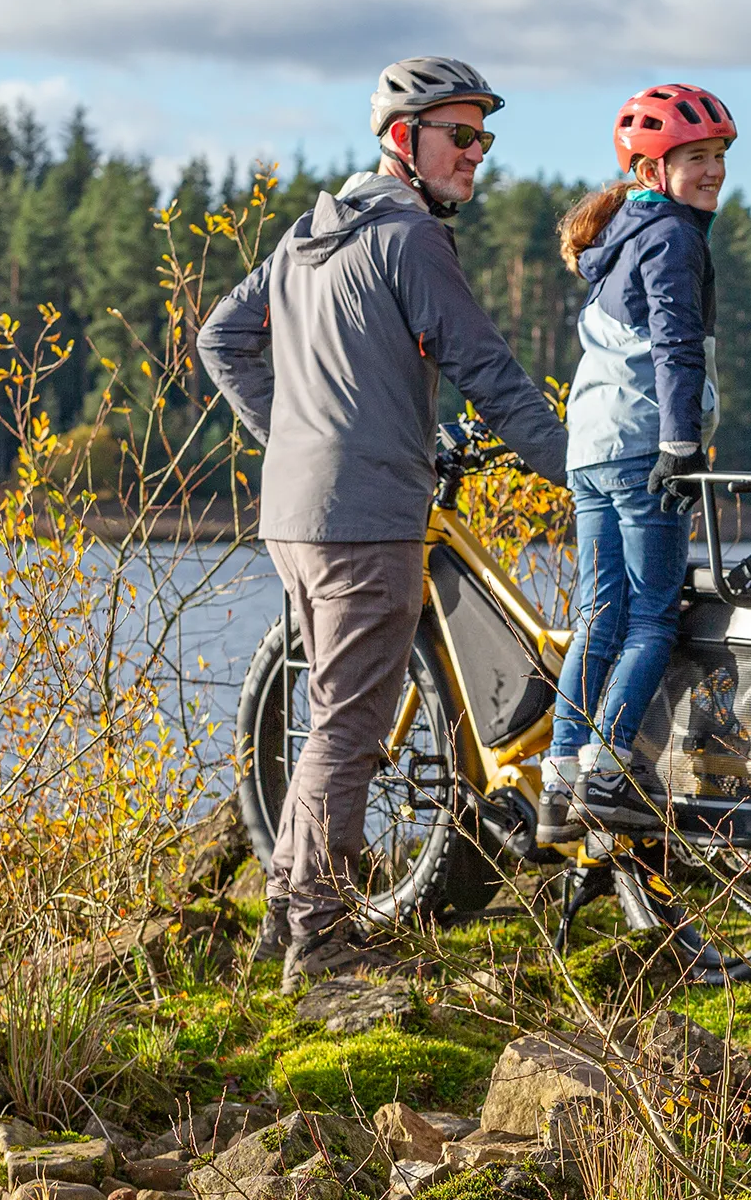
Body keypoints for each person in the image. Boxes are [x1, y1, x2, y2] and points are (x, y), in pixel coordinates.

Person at [198, 57, 572, 994]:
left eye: (485, 136)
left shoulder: (307, 237)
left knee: (332, 712)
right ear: (403, 140)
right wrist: (583, 471)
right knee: (353, 724)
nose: (477, 153)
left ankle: (284, 912)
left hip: (292, 512)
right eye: (460, 134)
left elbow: (221, 339)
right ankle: (321, 936)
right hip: (363, 517)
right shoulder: (408, 239)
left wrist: (293, 432)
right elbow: (489, 372)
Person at [535, 84, 734, 838]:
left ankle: (559, 782)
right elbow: (675, 344)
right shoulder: (673, 237)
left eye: (718, 156)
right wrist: (683, 445)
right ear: (651, 170)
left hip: (589, 445)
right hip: (644, 444)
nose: (713, 171)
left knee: (599, 614)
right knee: (652, 617)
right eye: (695, 158)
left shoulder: (622, 235)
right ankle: (611, 769)